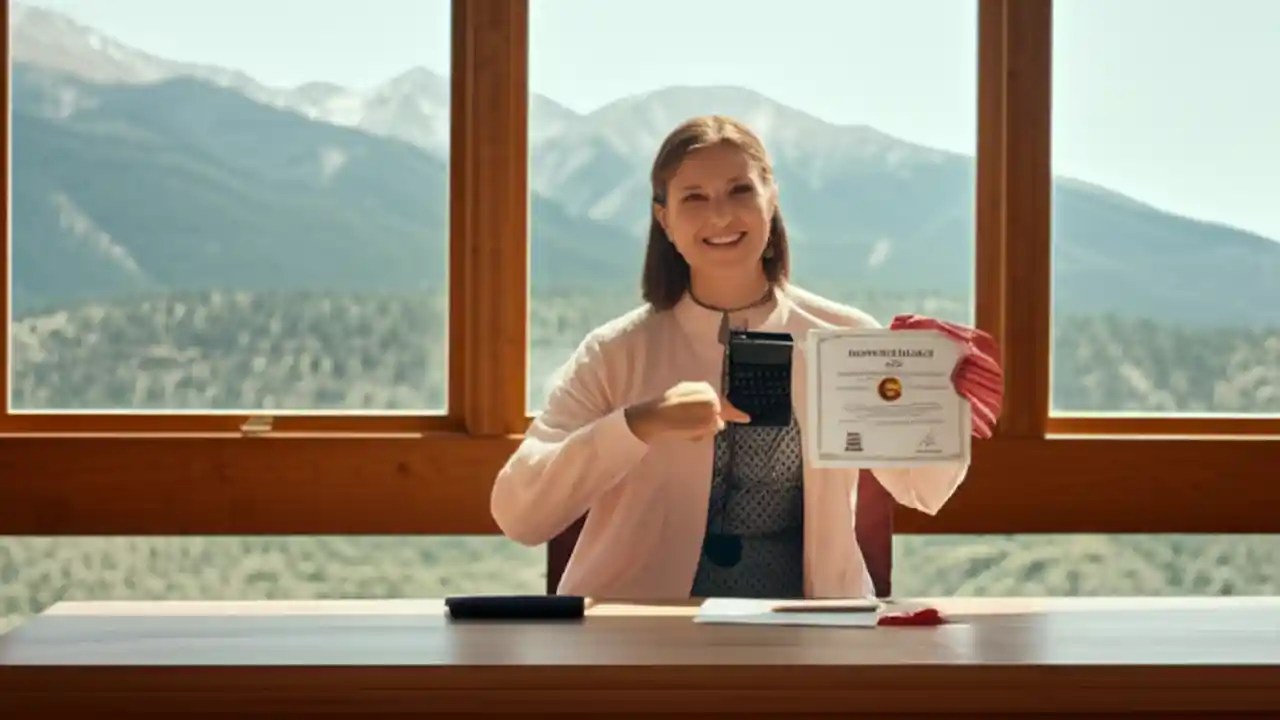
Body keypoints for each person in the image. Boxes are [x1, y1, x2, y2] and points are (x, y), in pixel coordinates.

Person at [491, 115, 1003, 599]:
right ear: (663, 219)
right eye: (694, 197)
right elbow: (520, 512)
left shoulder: (844, 339)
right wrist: (638, 423)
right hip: (640, 640)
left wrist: (941, 396)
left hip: (810, 638)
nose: (719, 214)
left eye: (740, 190)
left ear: (771, 198)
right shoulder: (613, 353)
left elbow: (923, 488)